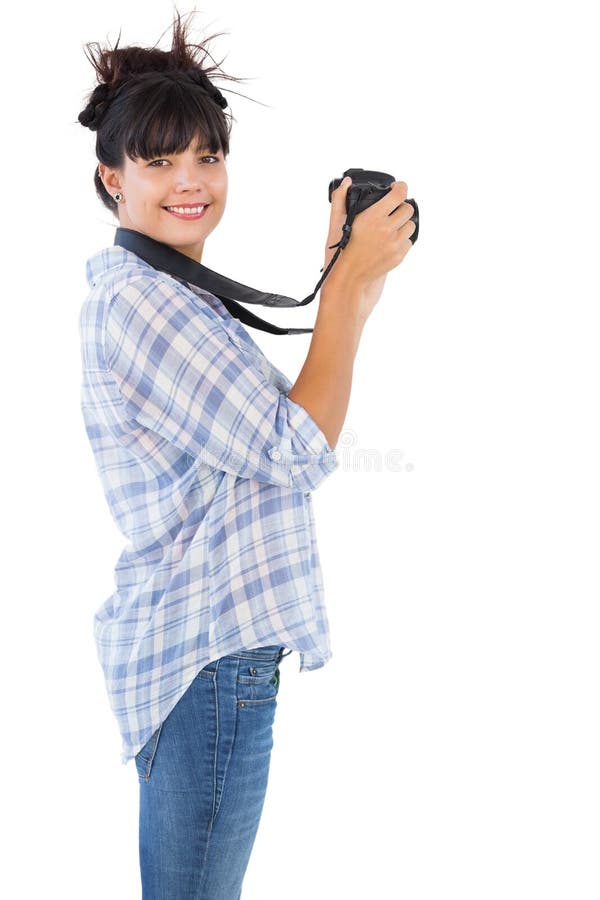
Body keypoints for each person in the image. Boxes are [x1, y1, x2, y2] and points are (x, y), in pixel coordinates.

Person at [77, 8, 415, 899]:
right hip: (208, 655)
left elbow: (285, 425)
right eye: (159, 162)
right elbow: (298, 449)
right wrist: (344, 283)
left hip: (207, 654)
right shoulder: (143, 302)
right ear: (112, 179)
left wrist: (353, 274)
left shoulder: (169, 294)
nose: (190, 181)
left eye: (208, 156)